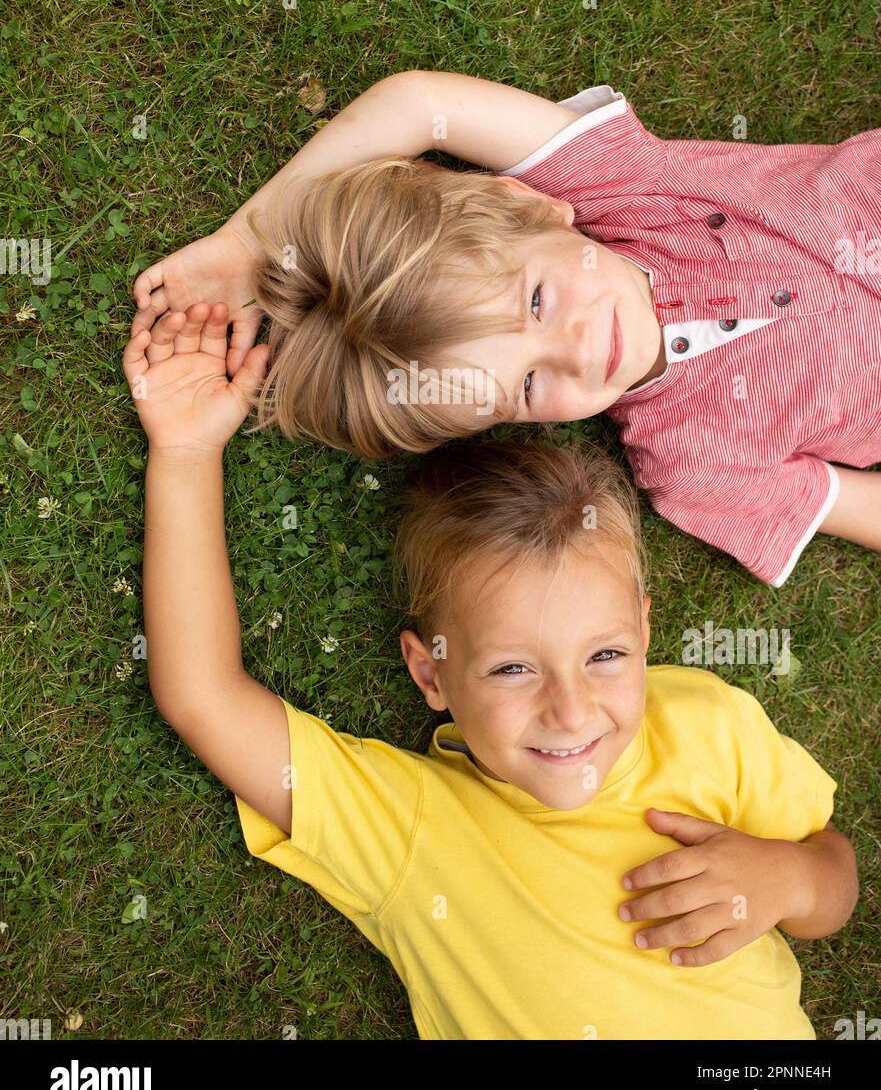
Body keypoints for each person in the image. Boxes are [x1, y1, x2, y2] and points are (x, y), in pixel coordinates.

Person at [122, 301, 858, 1040]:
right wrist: (186, 453)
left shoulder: (707, 723)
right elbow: (203, 696)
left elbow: (830, 874)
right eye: (511, 669)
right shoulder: (412, 829)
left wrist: (787, 879)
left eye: (604, 656)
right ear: (430, 673)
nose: (570, 711)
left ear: (642, 628)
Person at [130, 71, 881, 587]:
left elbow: (418, 103)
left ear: (534, 207)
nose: (578, 351)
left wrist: (252, 238)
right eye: (525, 384)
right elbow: (853, 505)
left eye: (537, 304)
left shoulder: (625, 189)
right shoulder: (691, 463)